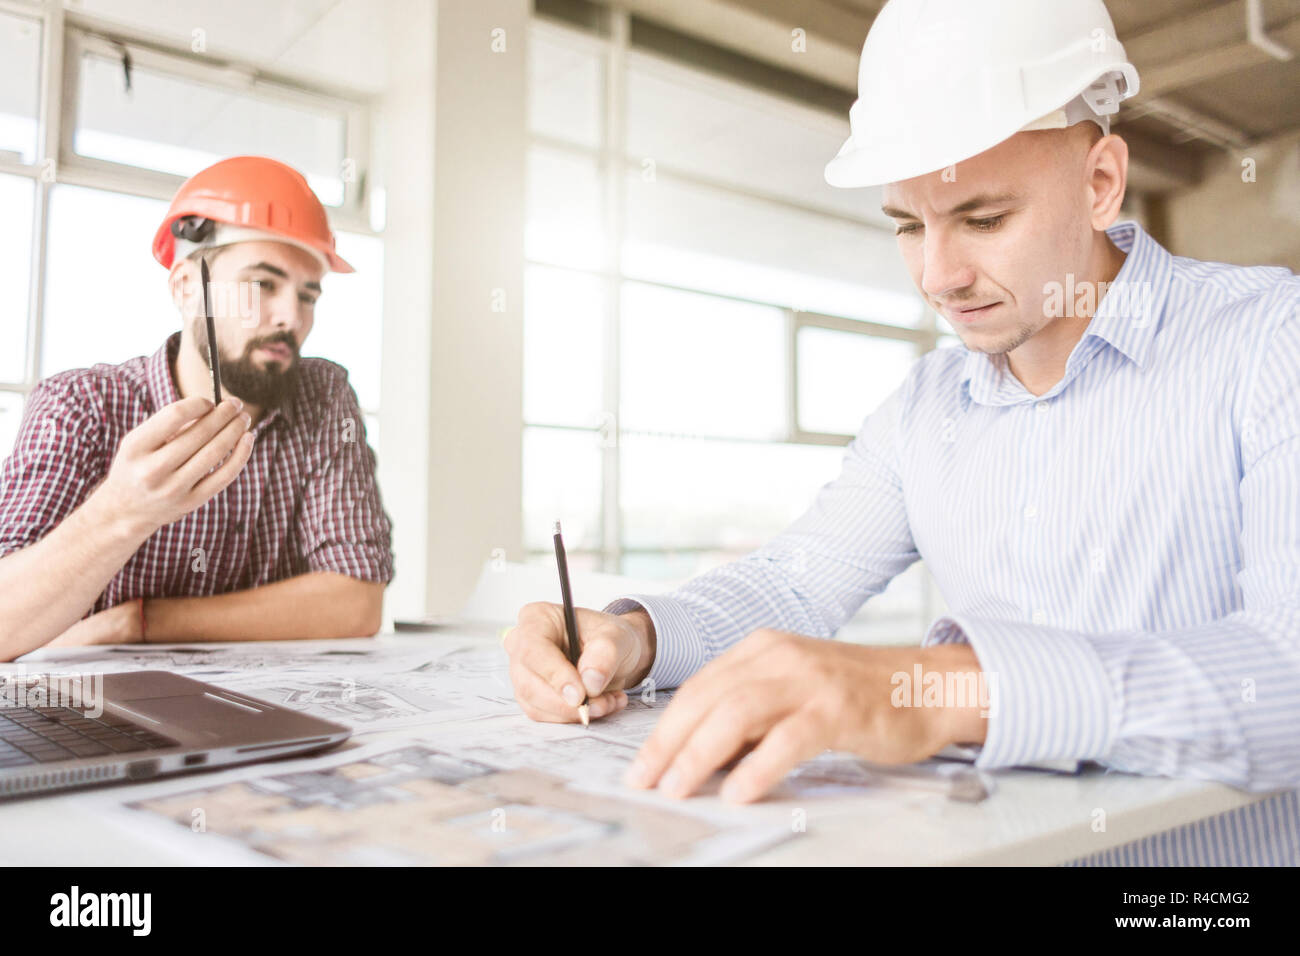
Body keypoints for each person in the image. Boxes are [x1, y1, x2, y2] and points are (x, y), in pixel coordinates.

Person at [504, 0, 1300, 865]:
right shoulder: (924, 409)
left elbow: (1286, 676)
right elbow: (793, 585)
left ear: (1100, 181)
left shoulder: (1267, 342)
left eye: (984, 220)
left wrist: (937, 693)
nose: (939, 276)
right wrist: (634, 638)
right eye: (909, 226)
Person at [0, 156, 394, 660]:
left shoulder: (323, 396)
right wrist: (121, 513)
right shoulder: (81, 406)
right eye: (262, 284)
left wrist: (139, 622)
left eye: (308, 295)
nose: (289, 317)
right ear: (188, 288)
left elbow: (355, 602)